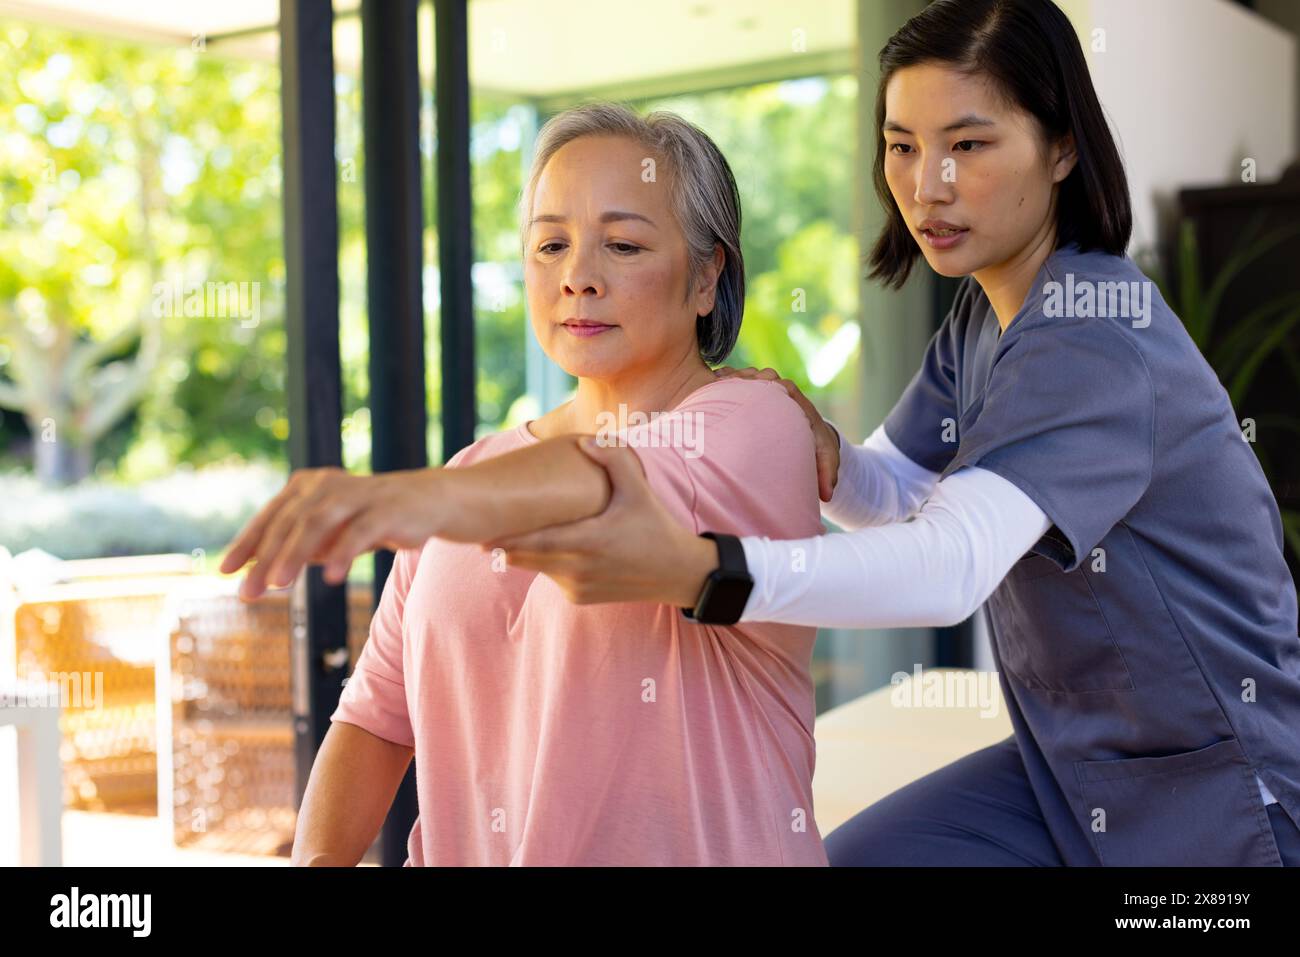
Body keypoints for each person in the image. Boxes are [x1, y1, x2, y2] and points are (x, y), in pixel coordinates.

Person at [485, 0, 1300, 866]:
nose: (926, 183)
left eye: (968, 145)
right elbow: (903, 493)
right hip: (1067, 763)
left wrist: (702, 568)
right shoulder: (982, 321)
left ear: (1061, 148)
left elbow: (948, 566)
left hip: (1221, 791)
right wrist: (828, 456)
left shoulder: (1093, 337)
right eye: (902, 145)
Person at [221, 103, 829, 865]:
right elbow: (376, 718)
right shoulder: (472, 475)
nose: (578, 276)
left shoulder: (758, 424)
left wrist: (400, 498)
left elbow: (608, 484)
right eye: (551, 244)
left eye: (623, 244)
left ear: (707, 275)